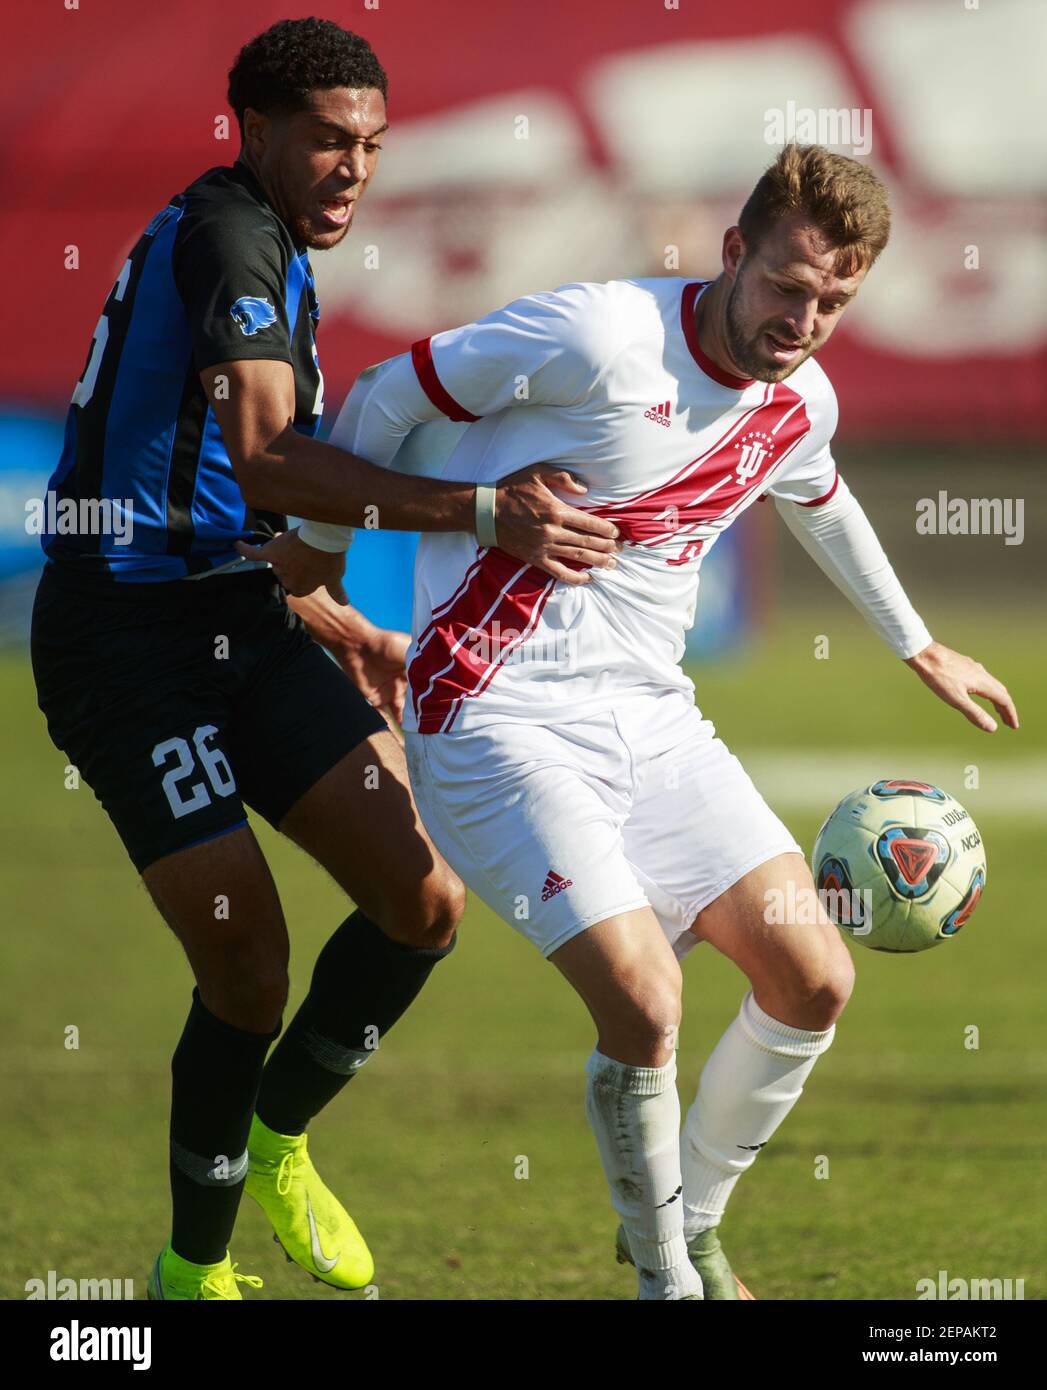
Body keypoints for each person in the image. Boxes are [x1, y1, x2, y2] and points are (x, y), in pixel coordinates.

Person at [255, 143, 1018, 1300]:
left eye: (835, 301)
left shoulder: (797, 398)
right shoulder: (599, 338)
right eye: (786, 285)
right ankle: (669, 1280)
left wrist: (916, 643)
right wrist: (325, 555)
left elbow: (821, 491)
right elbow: (393, 393)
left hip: (654, 723)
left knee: (814, 976)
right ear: (732, 254)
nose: (804, 320)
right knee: (647, 1002)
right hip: (498, 722)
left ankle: (683, 1220)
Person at [29, 17, 618, 1302]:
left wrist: (347, 625)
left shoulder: (280, 251)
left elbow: (248, 508)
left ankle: (280, 1136)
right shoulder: (234, 235)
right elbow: (272, 461)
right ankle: (192, 1269)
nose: (354, 167)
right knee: (247, 962)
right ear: (255, 131)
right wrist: (481, 509)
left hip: (239, 615)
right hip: (123, 643)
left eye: (372, 146)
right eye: (329, 142)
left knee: (424, 903)